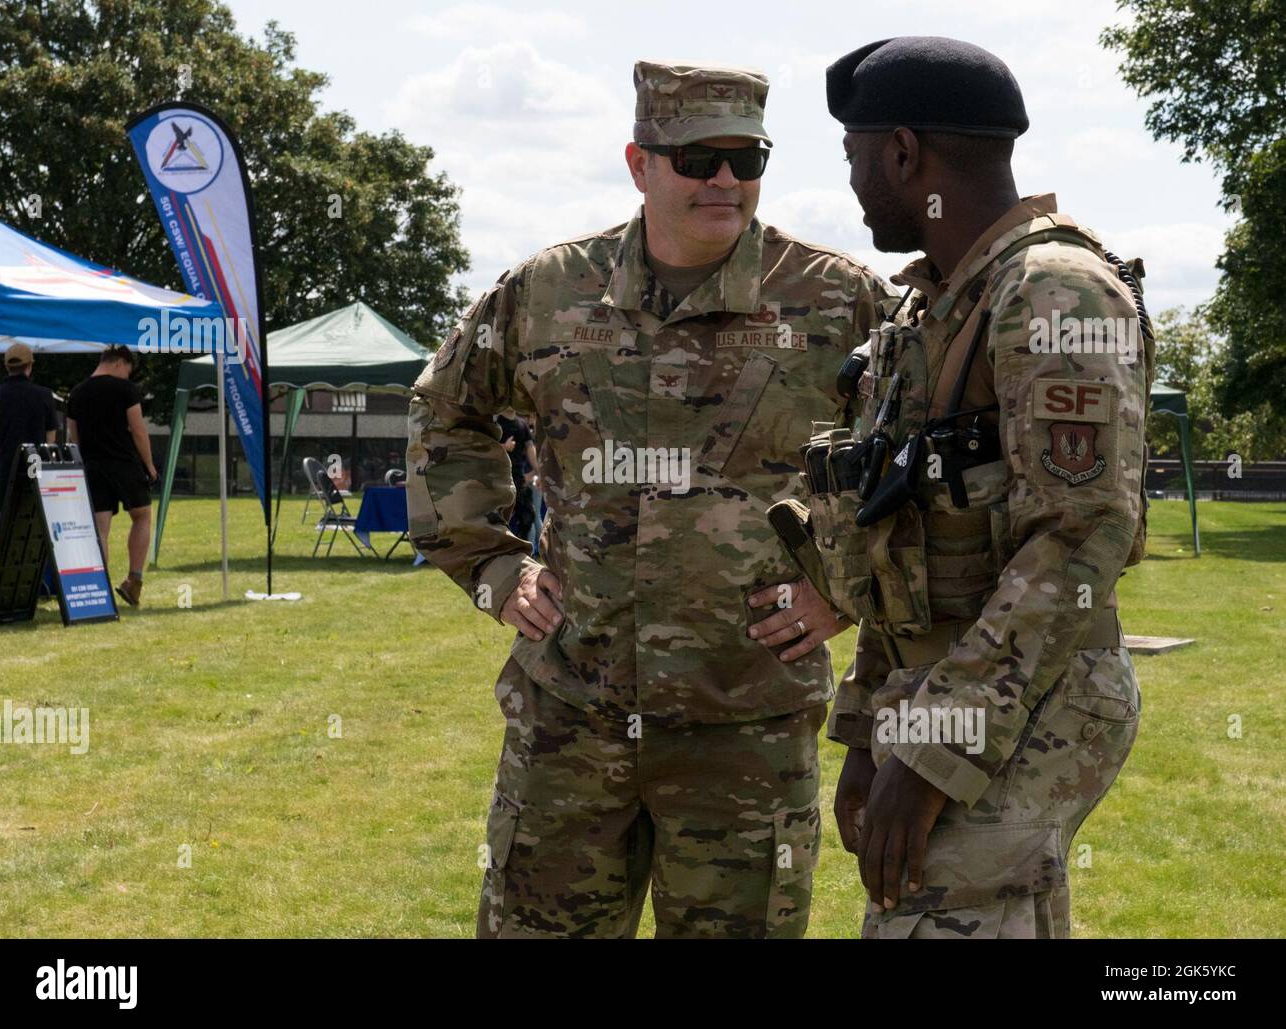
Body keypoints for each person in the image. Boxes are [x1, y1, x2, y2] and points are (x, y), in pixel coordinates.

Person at [407, 60, 892, 938]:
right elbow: (445, 407)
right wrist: (489, 562)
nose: (725, 181)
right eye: (699, 157)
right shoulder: (551, 293)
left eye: (748, 160)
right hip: (570, 724)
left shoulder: (835, 300)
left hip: (745, 727)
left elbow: (924, 456)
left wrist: (847, 587)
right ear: (640, 163)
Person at [816, 36, 1153, 938]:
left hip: (1037, 689)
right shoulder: (931, 309)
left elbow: (1080, 536)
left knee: (931, 916)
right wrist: (865, 729)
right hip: (949, 686)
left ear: (902, 152)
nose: (851, 185)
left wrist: (930, 752)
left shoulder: (1055, 295)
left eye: (854, 155)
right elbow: (900, 540)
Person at [66, 346, 159, 607]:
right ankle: (134, 581)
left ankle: (100, 588)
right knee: (142, 517)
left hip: (93, 466)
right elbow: (138, 430)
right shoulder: (125, 390)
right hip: (125, 464)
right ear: (121, 363)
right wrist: (150, 466)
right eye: (128, 371)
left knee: (100, 530)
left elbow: (74, 435)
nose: (128, 376)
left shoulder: (77, 392)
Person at [0, 342, 59, 512]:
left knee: (2, 517)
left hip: (5, 468)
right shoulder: (44, 395)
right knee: (34, 515)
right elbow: (50, 438)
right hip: (34, 466)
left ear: (7, 367)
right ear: (29, 366)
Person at [494, 412, 538, 541]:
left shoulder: (522, 424)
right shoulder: (496, 423)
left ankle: (523, 548)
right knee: (499, 517)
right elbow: (484, 445)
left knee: (527, 515)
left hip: (518, 477)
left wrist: (538, 470)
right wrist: (503, 447)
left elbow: (530, 447)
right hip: (499, 477)